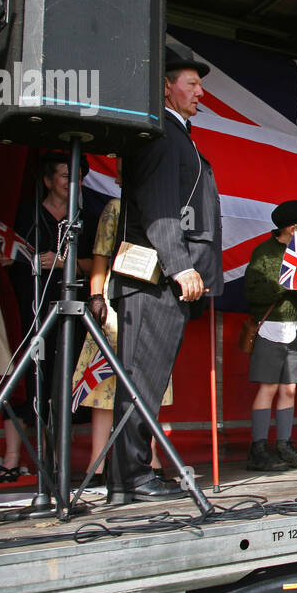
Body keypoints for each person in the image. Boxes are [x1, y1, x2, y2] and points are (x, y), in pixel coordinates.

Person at [106, 43, 223, 503]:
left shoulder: (178, 136)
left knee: (147, 382)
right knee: (140, 380)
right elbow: (160, 211)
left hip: (162, 282)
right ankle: (130, 479)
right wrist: (180, 266)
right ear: (167, 87)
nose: (200, 93)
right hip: (153, 280)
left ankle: (132, 476)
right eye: (192, 84)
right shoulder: (160, 137)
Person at [71, 162, 169, 488]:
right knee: (105, 386)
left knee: (150, 383)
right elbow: (100, 254)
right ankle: (98, 462)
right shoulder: (115, 208)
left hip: (152, 298)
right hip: (117, 300)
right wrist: (95, 294)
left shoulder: (163, 211)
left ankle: (150, 458)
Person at [2, 152, 93, 481]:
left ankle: (52, 459)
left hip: (69, 310)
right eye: (66, 175)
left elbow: (97, 263)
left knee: (60, 379)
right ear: (48, 180)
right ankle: (12, 459)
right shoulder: (25, 212)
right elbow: (4, 251)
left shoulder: (84, 217)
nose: (73, 181)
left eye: (77, 176)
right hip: (27, 306)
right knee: (22, 378)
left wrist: (64, 261)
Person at [246, 200, 297, 471]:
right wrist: (283, 286)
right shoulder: (264, 253)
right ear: (292, 229)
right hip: (270, 328)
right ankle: (258, 448)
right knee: (267, 388)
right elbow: (252, 292)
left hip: (293, 329)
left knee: (289, 389)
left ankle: (284, 444)